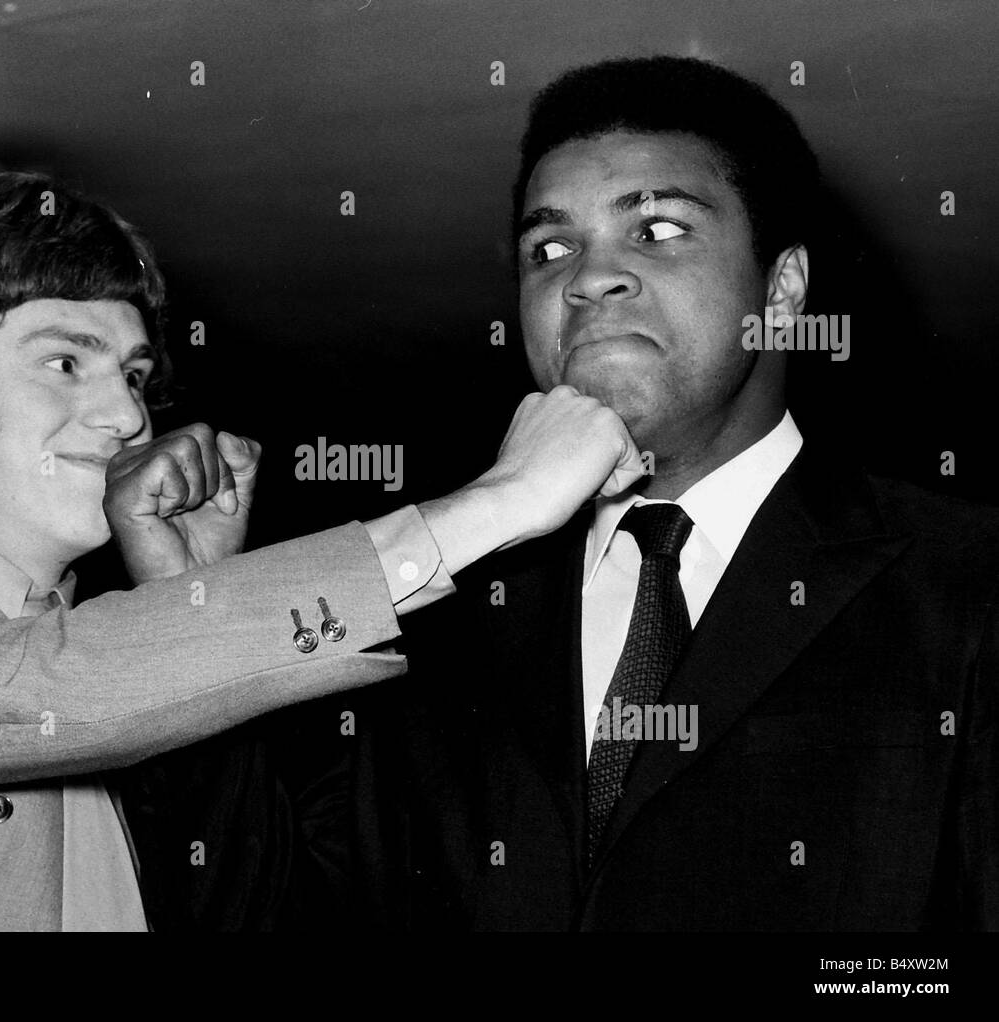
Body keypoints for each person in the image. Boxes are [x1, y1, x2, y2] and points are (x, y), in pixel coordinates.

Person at [0, 172, 642, 931]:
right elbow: (28, 696)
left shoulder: (128, 665)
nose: (127, 415)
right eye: (65, 361)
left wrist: (191, 589)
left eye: (135, 373)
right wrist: (488, 509)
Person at [366, 55, 999, 930]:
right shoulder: (437, 610)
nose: (586, 278)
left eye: (657, 229)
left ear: (781, 294)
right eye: (550, 248)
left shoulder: (967, 584)